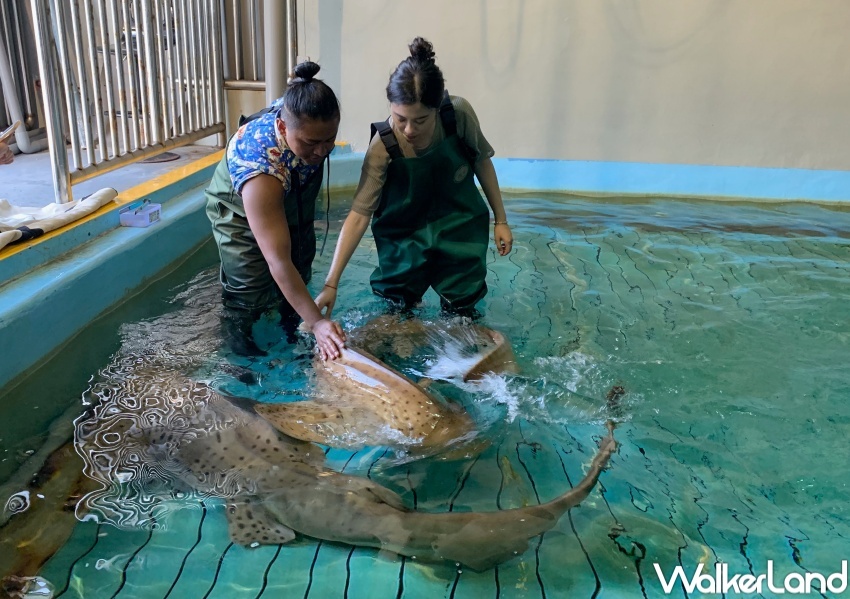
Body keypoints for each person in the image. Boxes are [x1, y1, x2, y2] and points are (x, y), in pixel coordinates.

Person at [317, 37, 513, 319]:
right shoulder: (382, 146)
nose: (409, 129)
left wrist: (501, 221)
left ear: (437, 108)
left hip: (459, 226)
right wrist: (331, 283)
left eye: (420, 120)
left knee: (461, 314)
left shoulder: (457, 115)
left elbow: (482, 161)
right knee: (396, 311)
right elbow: (359, 215)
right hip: (403, 235)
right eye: (400, 118)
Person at [205, 61, 345, 359]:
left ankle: (293, 335)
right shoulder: (260, 170)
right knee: (250, 292)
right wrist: (319, 322)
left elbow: (292, 262)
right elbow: (277, 261)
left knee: (300, 262)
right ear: (282, 127)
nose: (321, 151)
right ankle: (242, 360)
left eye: (329, 140)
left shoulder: (302, 109)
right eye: (311, 143)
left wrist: (311, 318)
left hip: (291, 184)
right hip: (241, 210)